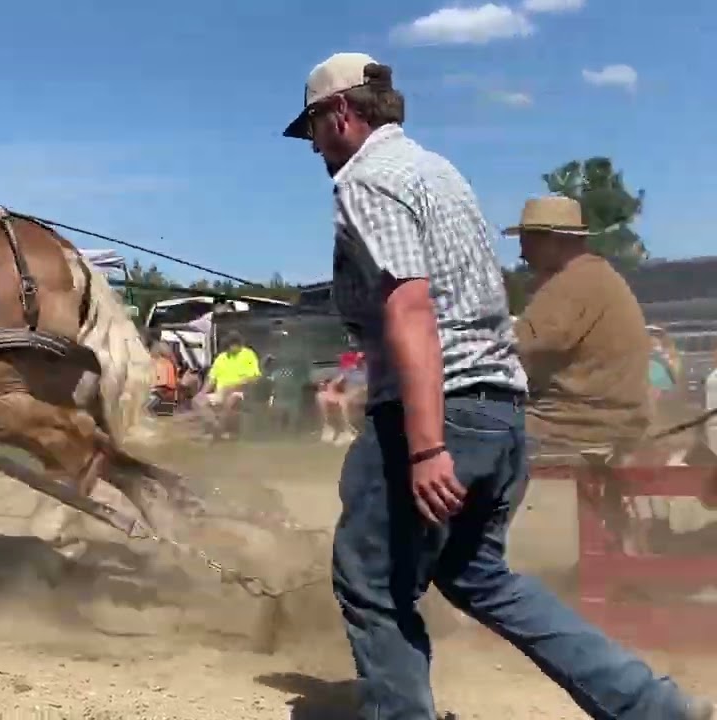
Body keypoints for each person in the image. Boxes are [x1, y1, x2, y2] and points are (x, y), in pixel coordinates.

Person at [282, 51, 712, 719]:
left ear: (339, 114)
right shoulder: (439, 171)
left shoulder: (366, 178)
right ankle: (651, 708)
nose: (312, 146)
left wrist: (425, 447)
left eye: (311, 127)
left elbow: (412, 308)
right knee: (480, 575)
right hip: (501, 414)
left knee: (369, 578)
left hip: (442, 409)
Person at [509, 196, 655, 454]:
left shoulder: (570, 285)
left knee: (467, 425)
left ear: (553, 240)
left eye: (527, 243)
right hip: (616, 419)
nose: (522, 254)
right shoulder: (598, 275)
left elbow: (513, 350)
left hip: (576, 423)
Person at [191, 331, 261, 437]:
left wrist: (233, 386)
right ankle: (217, 427)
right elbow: (211, 378)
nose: (234, 348)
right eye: (231, 345)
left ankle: (220, 430)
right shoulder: (221, 358)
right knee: (197, 401)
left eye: (236, 345)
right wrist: (202, 392)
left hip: (240, 391)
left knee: (230, 400)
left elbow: (254, 377)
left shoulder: (248, 355)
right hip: (220, 392)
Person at [315, 350, 367, 445]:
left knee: (343, 400)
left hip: (362, 395)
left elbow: (367, 386)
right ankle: (329, 427)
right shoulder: (350, 370)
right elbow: (336, 381)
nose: (358, 363)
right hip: (348, 394)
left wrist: (356, 391)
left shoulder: (369, 371)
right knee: (321, 396)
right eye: (357, 360)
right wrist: (330, 389)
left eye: (361, 360)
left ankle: (349, 431)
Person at [148, 341, 179, 413]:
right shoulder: (171, 363)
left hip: (159, 396)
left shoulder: (161, 363)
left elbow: (161, 383)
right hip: (170, 396)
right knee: (165, 417)